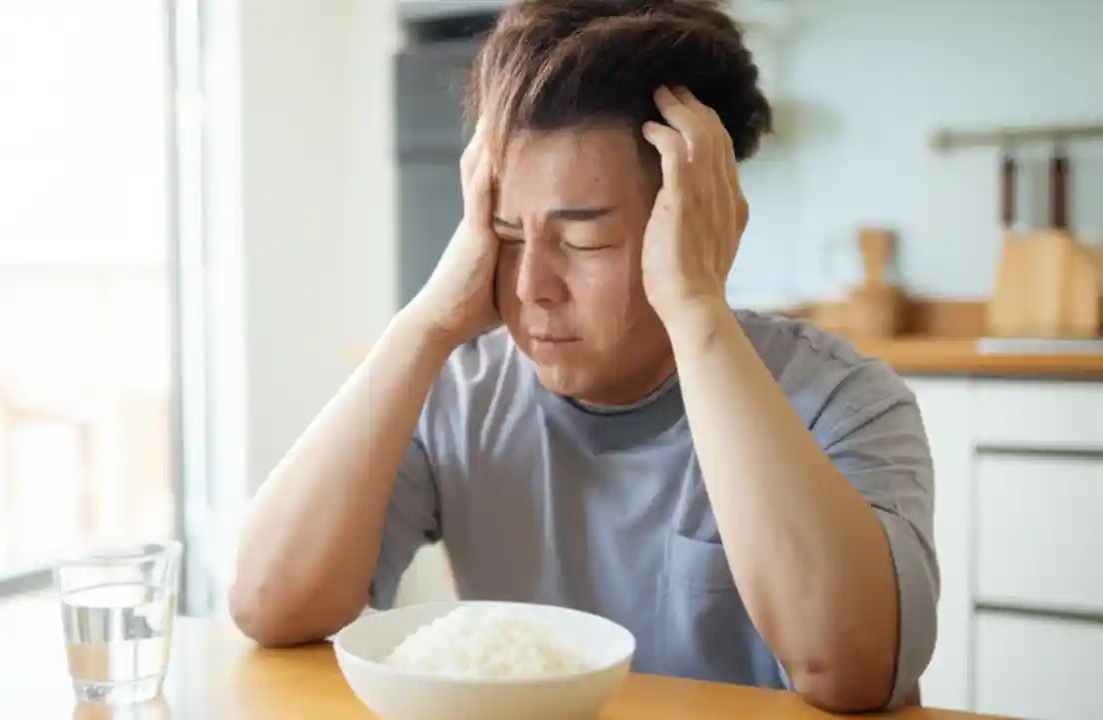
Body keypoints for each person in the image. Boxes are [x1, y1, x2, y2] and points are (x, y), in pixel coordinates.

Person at [228, 0, 937, 712]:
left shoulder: (841, 401)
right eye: (506, 234)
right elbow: (269, 604)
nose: (532, 287)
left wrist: (697, 310)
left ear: (699, 219)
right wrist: (425, 323)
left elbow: (852, 669)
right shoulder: (461, 393)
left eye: (584, 240)